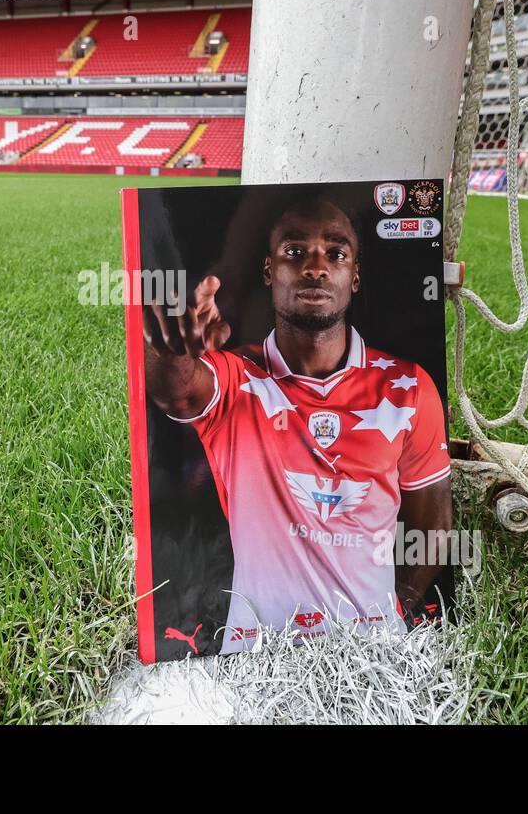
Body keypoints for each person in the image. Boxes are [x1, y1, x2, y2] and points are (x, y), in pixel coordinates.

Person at [143, 196, 452, 653]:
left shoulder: (408, 387)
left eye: (336, 253)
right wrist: (173, 349)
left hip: (373, 654)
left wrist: (393, 611)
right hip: (256, 654)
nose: (315, 267)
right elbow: (177, 387)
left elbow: (434, 524)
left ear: (355, 276)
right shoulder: (236, 377)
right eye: (295, 252)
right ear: (269, 272)